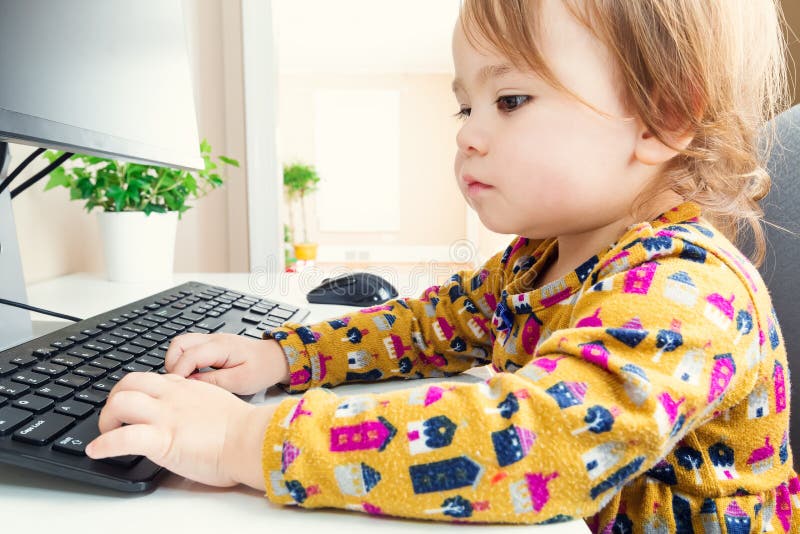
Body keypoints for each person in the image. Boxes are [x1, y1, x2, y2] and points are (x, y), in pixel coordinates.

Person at [85, 0, 799, 530]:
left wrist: (249, 441)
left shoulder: (686, 289)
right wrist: (282, 356)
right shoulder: (535, 261)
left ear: (662, 116)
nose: (470, 138)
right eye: (466, 109)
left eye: (510, 100)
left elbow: (536, 441)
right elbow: (426, 326)